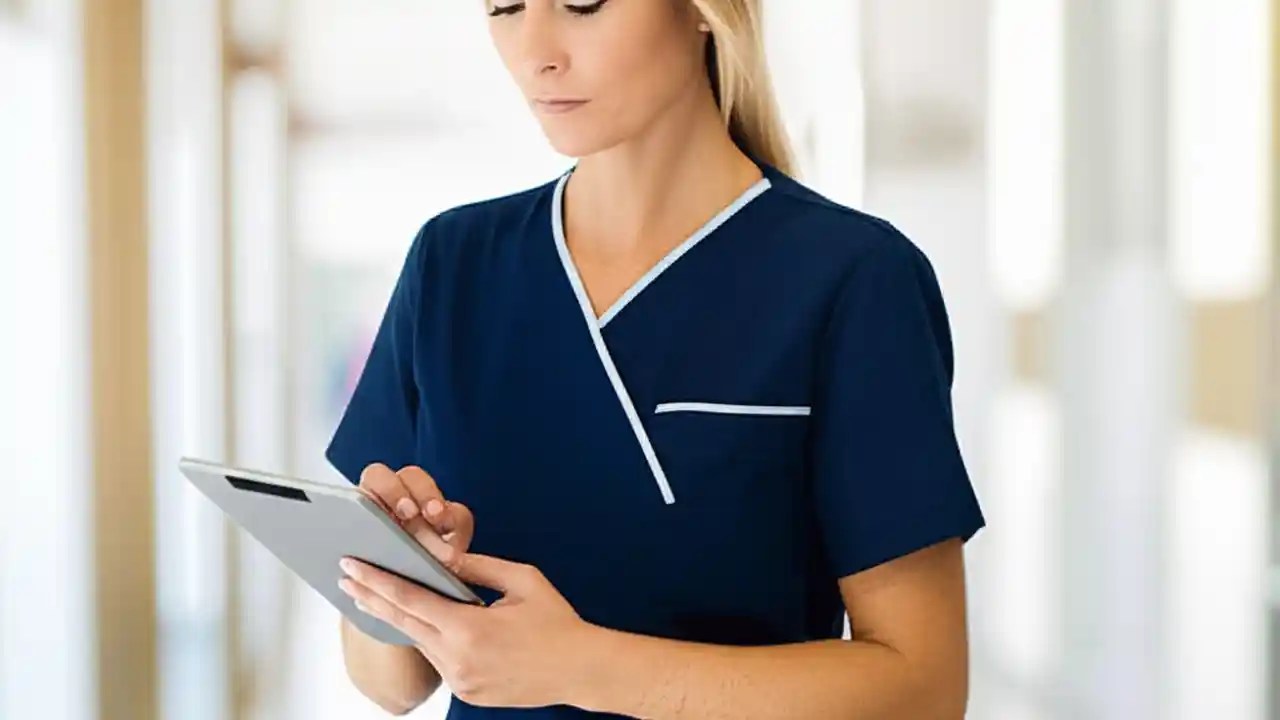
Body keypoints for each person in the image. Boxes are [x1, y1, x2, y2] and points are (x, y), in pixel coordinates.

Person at [327, 0, 987, 717]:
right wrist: (407, 569)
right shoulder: (452, 266)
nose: (534, 51)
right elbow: (390, 683)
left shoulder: (853, 279)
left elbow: (923, 690)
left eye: (582, 4)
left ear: (705, 12)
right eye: (505, 6)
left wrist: (585, 668)